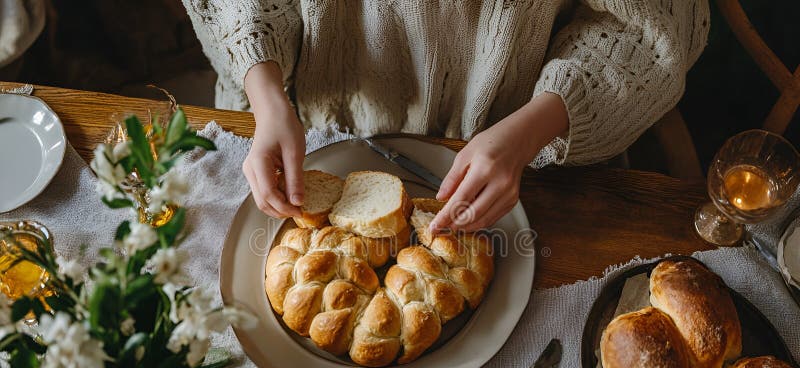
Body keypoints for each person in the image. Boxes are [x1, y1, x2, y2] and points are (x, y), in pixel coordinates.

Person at [182, 0, 709, 231]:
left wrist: (529, 131)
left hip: (524, 158)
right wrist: (267, 96)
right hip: (299, 131)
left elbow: (642, 29)